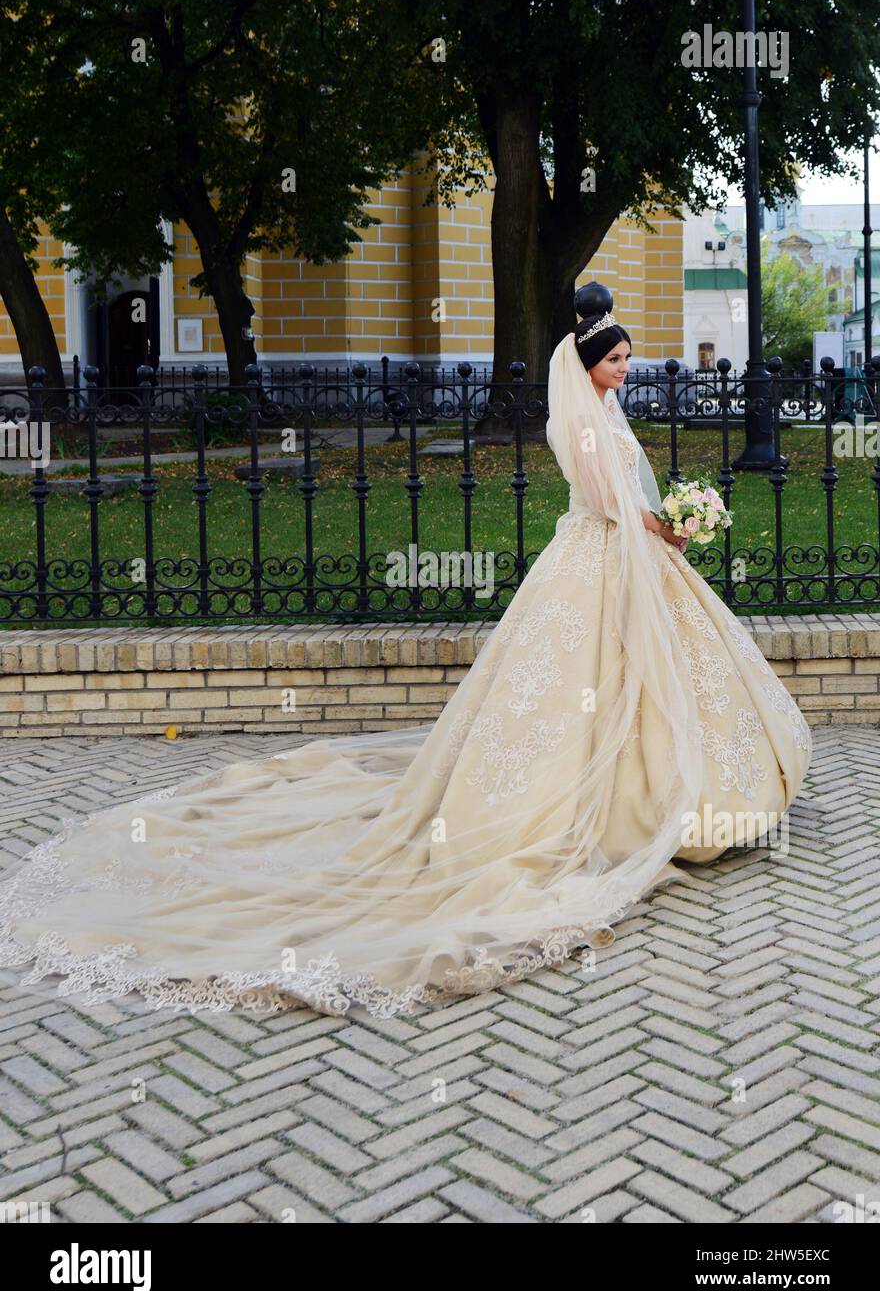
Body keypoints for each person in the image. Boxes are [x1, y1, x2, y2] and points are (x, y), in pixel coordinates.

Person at [0, 298, 812, 1021]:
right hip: (607, 558)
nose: (625, 369)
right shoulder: (585, 422)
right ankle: (620, 807)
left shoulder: (601, 412)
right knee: (582, 691)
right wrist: (671, 529)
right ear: (587, 365)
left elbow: (628, 501)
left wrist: (666, 524)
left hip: (619, 557)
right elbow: (614, 507)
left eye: (628, 358)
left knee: (626, 681)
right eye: (614, 359)